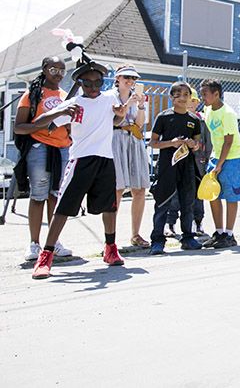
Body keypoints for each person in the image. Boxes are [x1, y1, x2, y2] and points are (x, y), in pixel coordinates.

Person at [30, 59, 128, 279]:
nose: (94, 88)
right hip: (80, 160)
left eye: (98, 83)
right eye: (88, 83)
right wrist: (59, 112)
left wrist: (120, 113)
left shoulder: (109, 98)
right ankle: (46, 255)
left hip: (105, 159)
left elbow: (119, 117)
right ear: (80, 83)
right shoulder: (73, 103)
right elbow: (41, 122)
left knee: (110, 207)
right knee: (64, 208)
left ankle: (110, 248)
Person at [14, 57, 73, 261]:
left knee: (55, 196)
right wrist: (47, 122)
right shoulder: (32, 95)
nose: (58, 73)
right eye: (53, 68)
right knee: (38, 195)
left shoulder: (66, 96)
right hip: (39, 147)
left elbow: (70, 124)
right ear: (44, 69)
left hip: (62, 149)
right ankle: (34, 244)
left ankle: (53, 243)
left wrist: (69, 127)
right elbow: (19, 126)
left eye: (62, 70)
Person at [147, 82, 202, 254]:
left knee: (188, 202)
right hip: (167, 166)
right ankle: (157, 240)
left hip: (187, 167)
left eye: (186, 95)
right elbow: (153, 143)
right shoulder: (163, 117)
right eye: (179, 95)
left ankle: (188, 238)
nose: (183, 98)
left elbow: (198, 144)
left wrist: (193, 144)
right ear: (172, 97)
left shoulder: (194, 120)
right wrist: (171, 143)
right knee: (163, 202)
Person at [200, 79, 240, 249]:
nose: (202, 97)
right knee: (213, 194)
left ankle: (229, 234)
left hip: (233, 158)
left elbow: (228, 141)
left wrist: (219, 164)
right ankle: (219, 233)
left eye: (205, 94)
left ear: (216, 94)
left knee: (231, 196)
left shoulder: (228, 113)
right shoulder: (208, 109)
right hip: (216, 157)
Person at [111, 65, 151, 248]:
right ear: (118, 78)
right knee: (117, 189)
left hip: (134, 139)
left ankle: (135, 234)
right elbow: (115, 119)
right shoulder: (110, 96)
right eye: (126, 77)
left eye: (133, 78)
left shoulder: (139, 98)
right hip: (116, 138)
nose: (130, 81)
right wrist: (128, 104)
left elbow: (140, 123)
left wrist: (141, 105)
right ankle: (110, 237)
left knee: (140, 188)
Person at [165, 91, 211, 235]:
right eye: (187, 100)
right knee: (175, 195)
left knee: (198, 195)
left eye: (192, 101)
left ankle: (198, 222)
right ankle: (170, 223)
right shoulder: (173, 118)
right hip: (178, 164)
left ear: (197, 103)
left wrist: (204, 157)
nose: (189, 104)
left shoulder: (201, 121)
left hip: (197, 165)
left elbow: (207, 143)